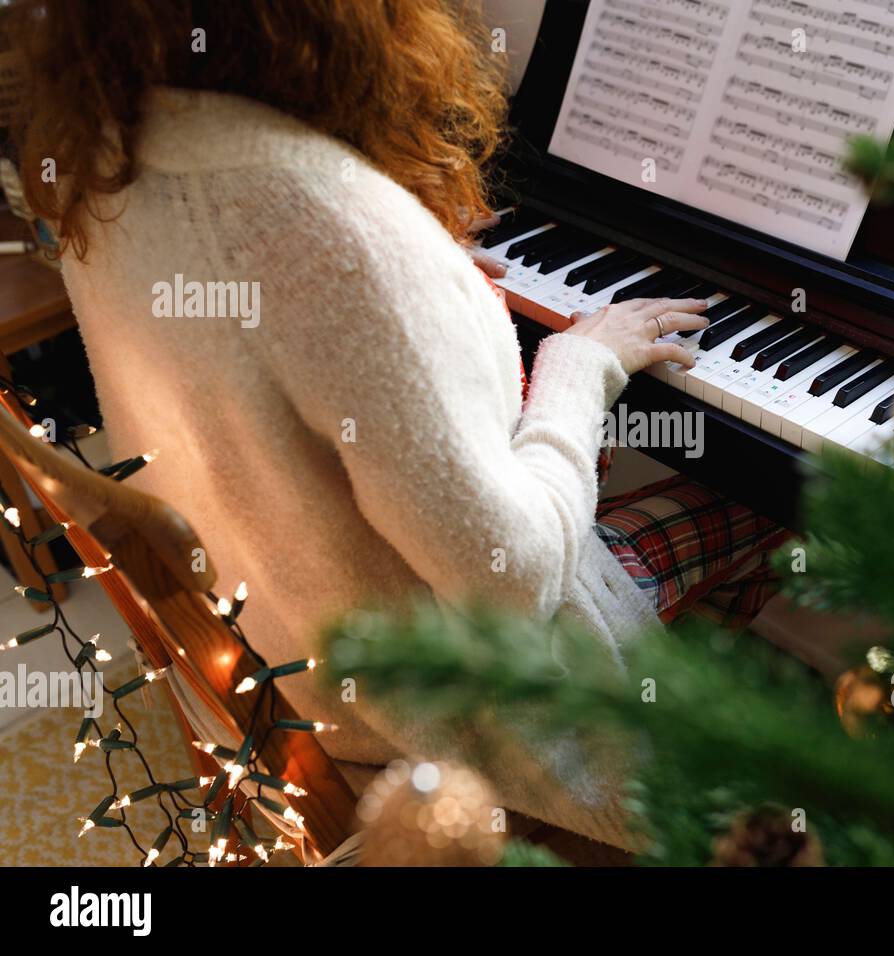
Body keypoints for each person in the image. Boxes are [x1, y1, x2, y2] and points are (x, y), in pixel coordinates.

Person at [10, 0, 786, 849]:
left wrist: (416, 278)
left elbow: (275, 341)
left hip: (292, 649)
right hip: (449, 714)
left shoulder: (108, 153)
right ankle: (716, 782)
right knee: (772, 511)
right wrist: (582, 363)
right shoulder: (326, 226)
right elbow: (515, 581)